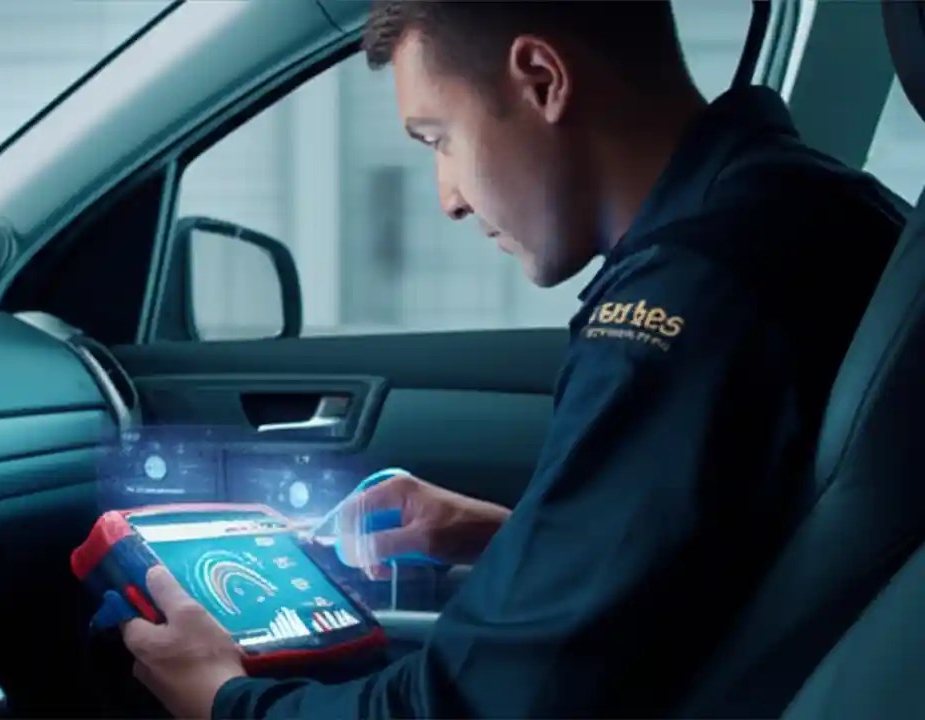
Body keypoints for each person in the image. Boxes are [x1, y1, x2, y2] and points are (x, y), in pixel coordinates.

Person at [120, 1, 906, 717]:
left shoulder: (687, 305)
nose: (448, 197)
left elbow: (476, 707)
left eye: (439, 139)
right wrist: (511, 537)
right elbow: (725, 562)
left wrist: (226, 701)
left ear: (541, 79)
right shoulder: (816, 210)